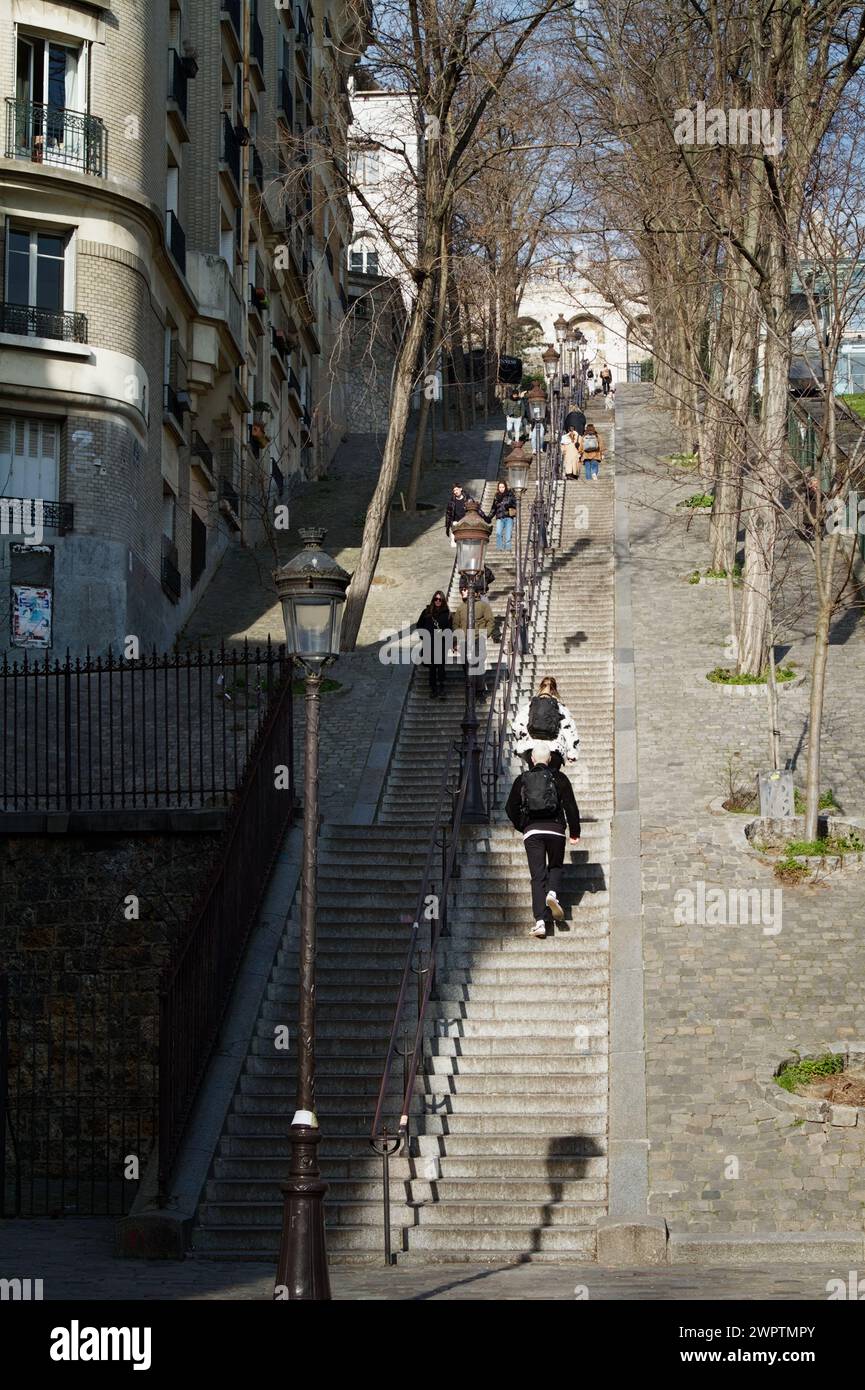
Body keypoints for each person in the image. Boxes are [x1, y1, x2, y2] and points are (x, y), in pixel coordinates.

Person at [505, 743, 581, 938]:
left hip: (532, 832)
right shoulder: (560, 778)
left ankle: (540, 922)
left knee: (537, 876)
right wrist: (574, 832)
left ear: (532, 759)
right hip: (555, 829)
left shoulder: (523, 779)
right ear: (549, 759)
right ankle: (553, 893)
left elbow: (510, 807)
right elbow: (571, 807)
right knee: (555, 867)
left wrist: (523, 826)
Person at [512, 675, 579, 770]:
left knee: (533, 779)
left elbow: (517, 727)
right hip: (555, 750)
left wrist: (522, 740)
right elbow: (569, 730)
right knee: (554, 780)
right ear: (554, 690)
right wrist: (572, 753)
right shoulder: (561, 709)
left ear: (540, 687)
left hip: (533, 749)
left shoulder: (529, 706)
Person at [452, 581, 494, 703]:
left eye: (465, 589)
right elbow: (455, 625)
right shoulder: (460, 608)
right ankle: (470, 690)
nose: (462, 591)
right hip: (464, 641)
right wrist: (456, 641)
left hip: (477, 639)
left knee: (477, 665)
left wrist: (484, 635)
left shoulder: (483, 605)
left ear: (473, 592)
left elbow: (490, 621)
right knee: (467, 666)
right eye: (461, 590)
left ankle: (479, 691)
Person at [416, 589, 453, 699]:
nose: (437, 601)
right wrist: (424, 636)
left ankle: (441, 687)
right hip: (429, 643)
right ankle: (433, 689)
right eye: (436, 599)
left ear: (443, 601)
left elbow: (450, 629)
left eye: (440, 599)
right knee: (432, 667)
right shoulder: (426, 612)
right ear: (433, 599)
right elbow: (419, 625)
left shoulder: (447, 614)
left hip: (441, 643)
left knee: (440, 667)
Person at [445, 483, 481, 548]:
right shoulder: (452, 502)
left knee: (466, 542)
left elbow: (476, 509)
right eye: (454, 491)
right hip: (456, 522)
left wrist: (484, 518)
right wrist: (447, 527)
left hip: (465, 522)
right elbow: (448, 514)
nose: (456, 492)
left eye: (457, 489)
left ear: (461, 489)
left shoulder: (468, 499)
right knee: (455, 543)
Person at [489, 479, 517, 550]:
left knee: (508, 536)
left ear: (505, 487)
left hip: (508, 517)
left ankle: (507, 549)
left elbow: (515, 503)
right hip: (500, 517)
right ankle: (499, 548)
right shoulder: (496, 496)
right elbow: (493, 508)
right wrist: (489, 517)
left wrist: (508, 503)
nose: (501, 489)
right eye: (500, 487)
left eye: (503, 487)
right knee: (498, 534)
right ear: (498, 488)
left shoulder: (510, 494)